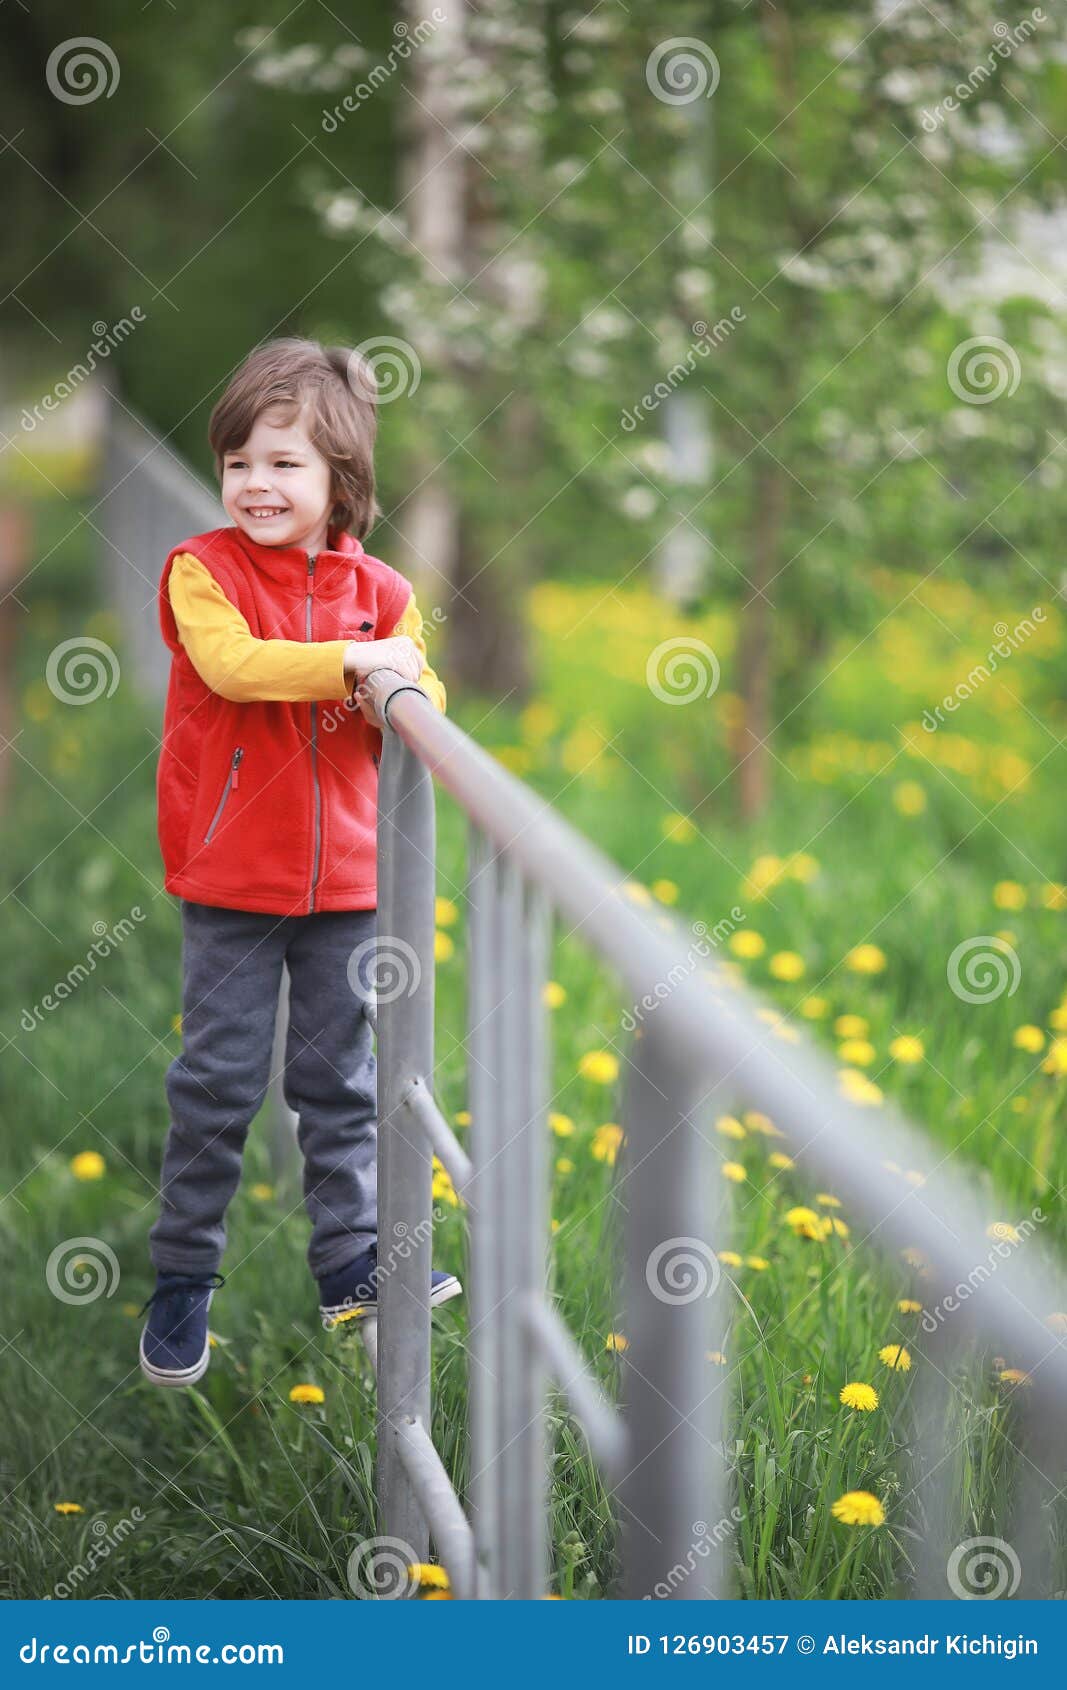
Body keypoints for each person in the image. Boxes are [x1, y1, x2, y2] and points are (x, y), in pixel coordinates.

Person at [139, 336, 462, 1388]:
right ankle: (183, 1274)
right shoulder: (204, 572)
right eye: (238, 461)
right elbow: (233, 667)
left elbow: (423, 698)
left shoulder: (384, 591)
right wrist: (352, 659)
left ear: (340, 478)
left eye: (283, 463)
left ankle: (351, 1264)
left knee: (338, 1080)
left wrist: (392, 685)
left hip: (347, 887)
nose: (255, 483)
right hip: (234, 877)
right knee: (218, 1082)